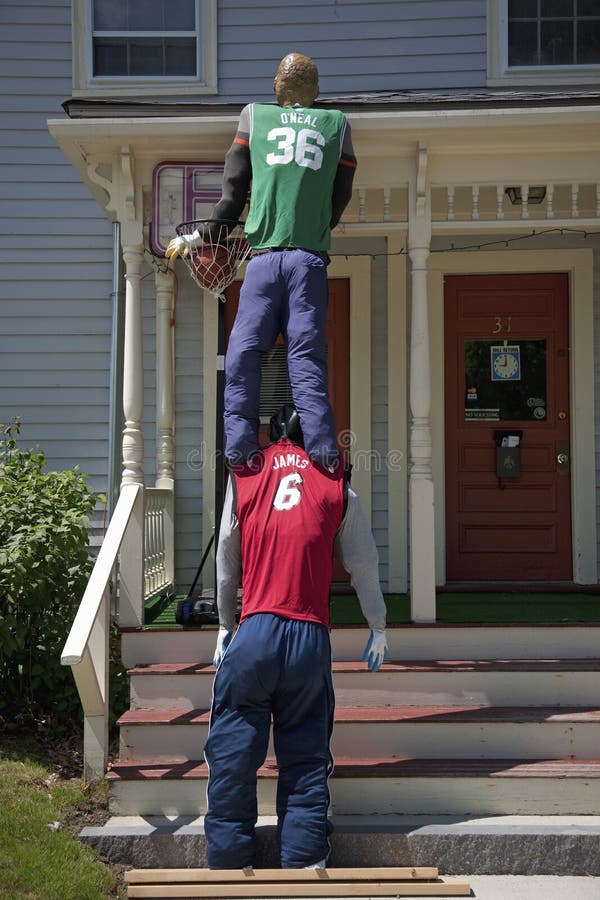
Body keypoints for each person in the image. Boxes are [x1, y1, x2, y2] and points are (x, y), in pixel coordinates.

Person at [203, 404, 388, 870]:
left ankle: (228, 860)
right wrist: (378, 626)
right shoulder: (337, 485)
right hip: (309, 635)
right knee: (305, 755)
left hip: (256, 630)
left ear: (272, 432)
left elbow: (227, 561)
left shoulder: (246, 475)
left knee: (233, 750)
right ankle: (303, 863)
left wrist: (227, 624)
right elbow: (363, 564)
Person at [166, 53, 357, 467]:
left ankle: (241, 455)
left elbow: (232, 197)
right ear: (316, 90)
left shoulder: (255, 116)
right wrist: (318, 226)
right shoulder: (337, 123)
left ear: (276, 84)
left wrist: (199, 236)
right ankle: (324, 461)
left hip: (264, 260)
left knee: (243, 354)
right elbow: (340, 195)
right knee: (305, 360)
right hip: (309, 261)